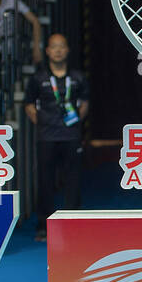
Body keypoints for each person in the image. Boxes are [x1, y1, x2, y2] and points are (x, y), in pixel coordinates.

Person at [24, 33, 88, 240]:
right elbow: (29, 104)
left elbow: (85, 103)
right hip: (46, 136)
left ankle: (74, 222)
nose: (58, 50)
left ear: (67, 50)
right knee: (45, 181)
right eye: (54, 47)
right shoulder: (38, 78)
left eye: (62, 46)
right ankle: (44, 225)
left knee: (73, 179)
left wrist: (75, 122)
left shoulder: (78, 77)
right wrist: (42, 122)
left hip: (71, 135)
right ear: (48, 51)